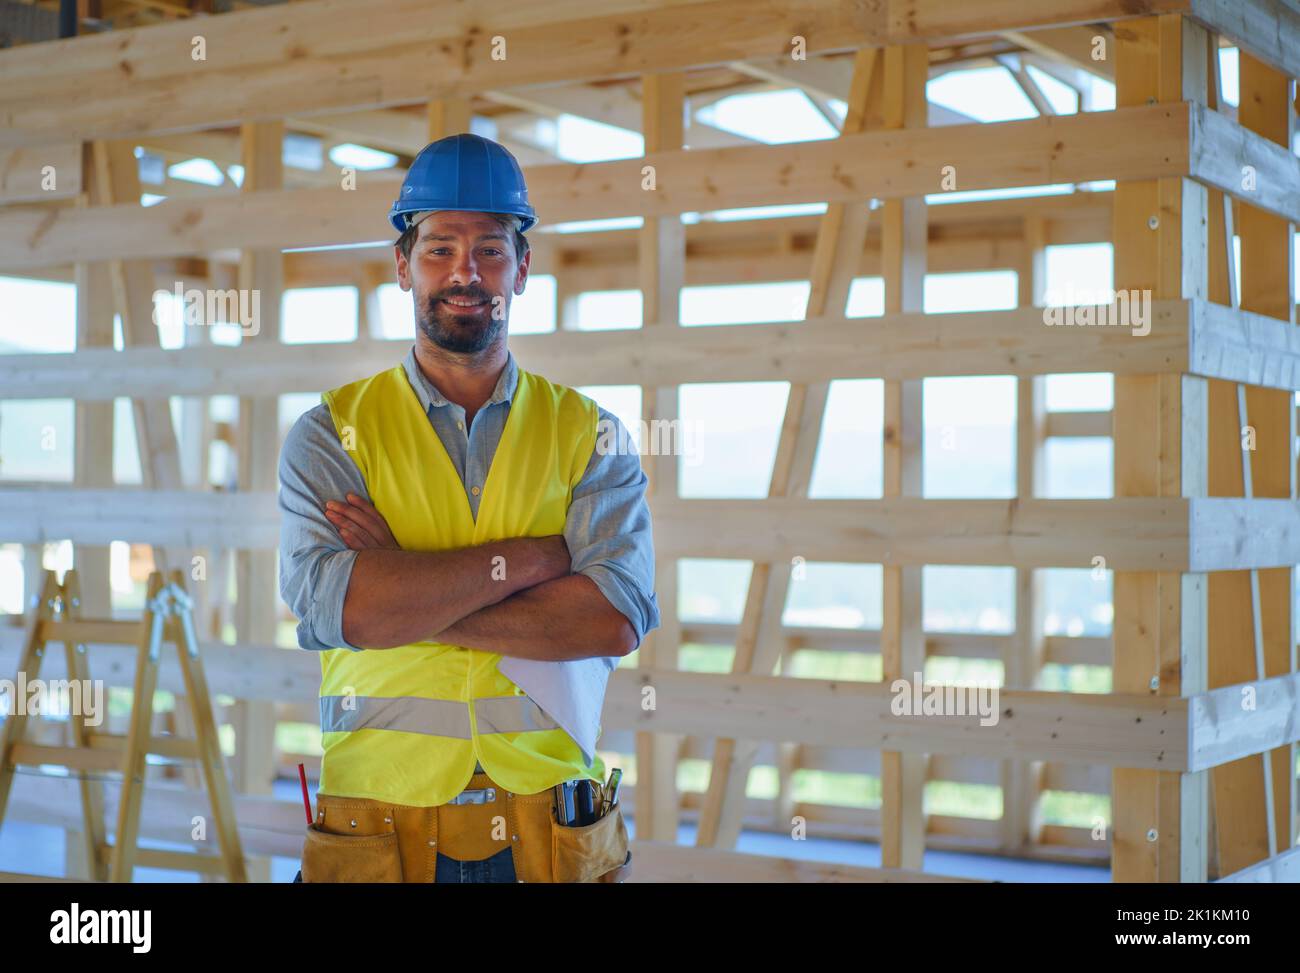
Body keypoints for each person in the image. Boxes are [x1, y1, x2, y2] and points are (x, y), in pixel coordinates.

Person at [277, 133, 659, 882]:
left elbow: (610, 619)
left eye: (490, 249)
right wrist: (536, 559)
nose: (465, 273)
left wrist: (405, 591)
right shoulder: (331, 433)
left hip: (549, 828)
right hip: (379, 825)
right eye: (440, 247)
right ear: (402, 265)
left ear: (522, 268)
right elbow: (344, 612)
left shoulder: (591, 433)